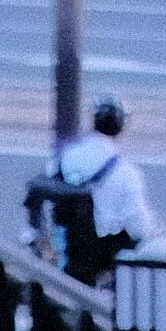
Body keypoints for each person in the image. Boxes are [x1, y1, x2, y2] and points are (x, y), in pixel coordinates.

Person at [46, 103, 152, 285]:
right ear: (121, 127)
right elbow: (138, 226)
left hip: (65, 246)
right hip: (102, 256)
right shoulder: (125, 171)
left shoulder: (64, 158)